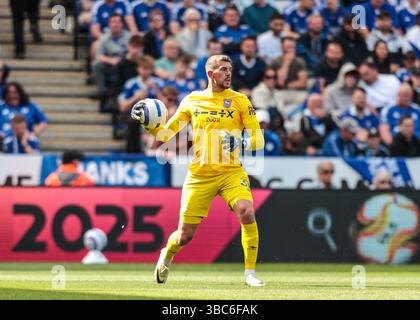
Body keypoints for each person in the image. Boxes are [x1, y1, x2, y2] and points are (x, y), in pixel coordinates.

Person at [131, 54, 265, 286]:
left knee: (247, 211)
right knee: (184, 236)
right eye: (223, 69)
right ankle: (167, 254)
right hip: (200, 175)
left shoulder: (241, 100)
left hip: (231, 172)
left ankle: (250, 274)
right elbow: (165, 135)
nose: (228, 73)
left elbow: (258, 140)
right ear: (210, 74)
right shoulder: (192, 101)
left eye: (230, 68)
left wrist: (241, 143)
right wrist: (148, 125)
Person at [92, 14, 131, 100]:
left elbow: (134, 52)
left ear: (122, 24)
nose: (115, 24)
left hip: (125, 64)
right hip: (111, 65)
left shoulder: (129, 37)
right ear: (109, 24)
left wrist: (123, 60)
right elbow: (98, 55)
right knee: (97, 64)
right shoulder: (104, 38)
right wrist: (111, 60)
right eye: (113, 22)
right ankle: (102, 92)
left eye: (118, 22)